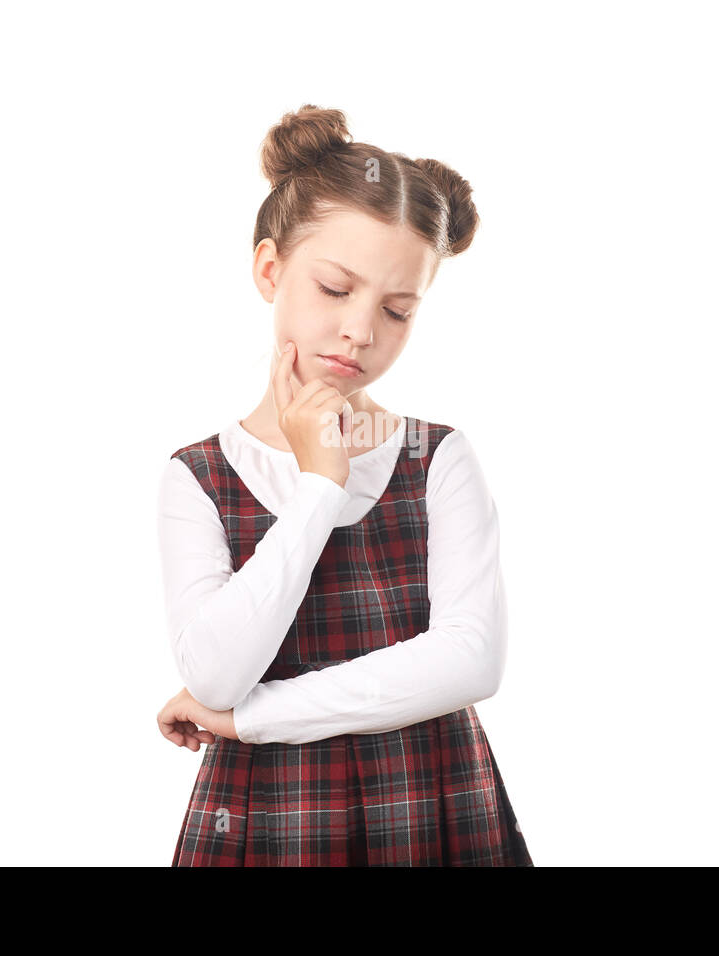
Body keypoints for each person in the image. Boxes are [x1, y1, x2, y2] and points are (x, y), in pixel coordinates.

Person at [156, 104, 532, 866]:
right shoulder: (196, 477)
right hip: (274, 823)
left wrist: (251, 719)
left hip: (430, 809)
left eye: (398, 310)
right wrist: (319, 486)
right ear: (270, 269)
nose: (363, 330)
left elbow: (470, 660)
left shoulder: (438, 459)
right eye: (335, 289)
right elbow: (216, 674)